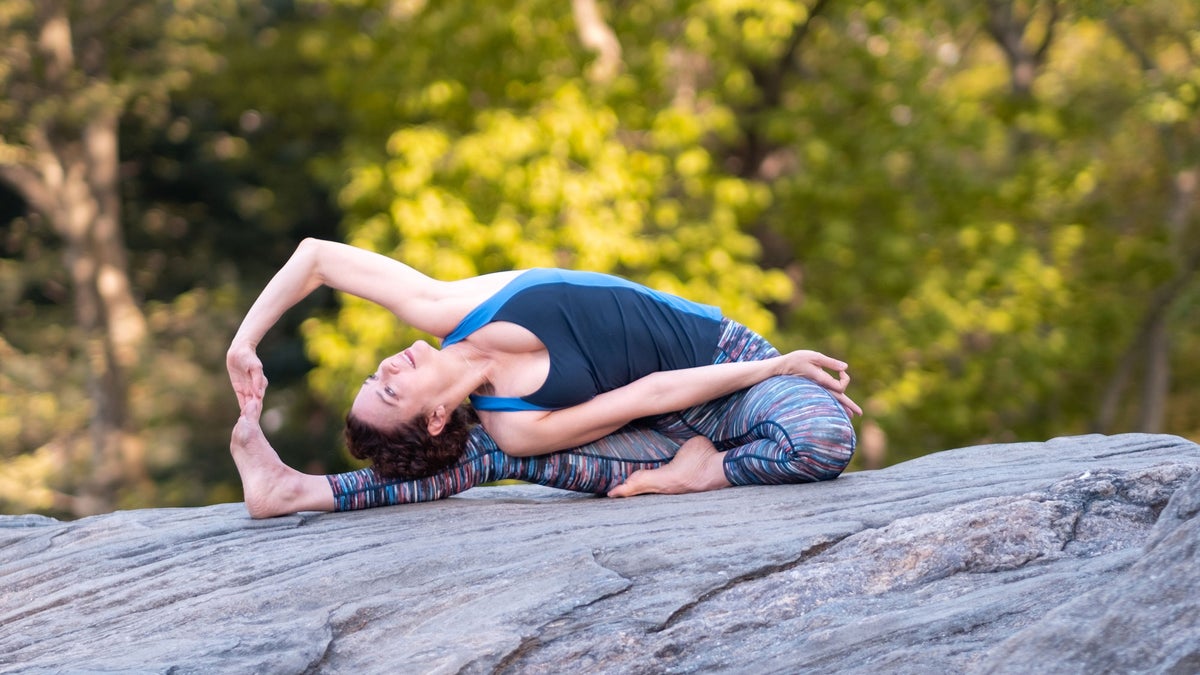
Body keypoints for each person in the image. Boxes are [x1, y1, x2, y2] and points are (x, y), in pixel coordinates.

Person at [227, 238, 860, 517]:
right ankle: (298, 493)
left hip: (728, 369)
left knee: (823, 432)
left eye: (374, 374)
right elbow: (648, 397)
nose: (388, 364)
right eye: (388, 389)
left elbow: (316, 257)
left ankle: (710, 469)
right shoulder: (512, 427)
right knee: (494, 451)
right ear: (433, 417)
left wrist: (245, 341)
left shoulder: (447, 307)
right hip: (656, 431)